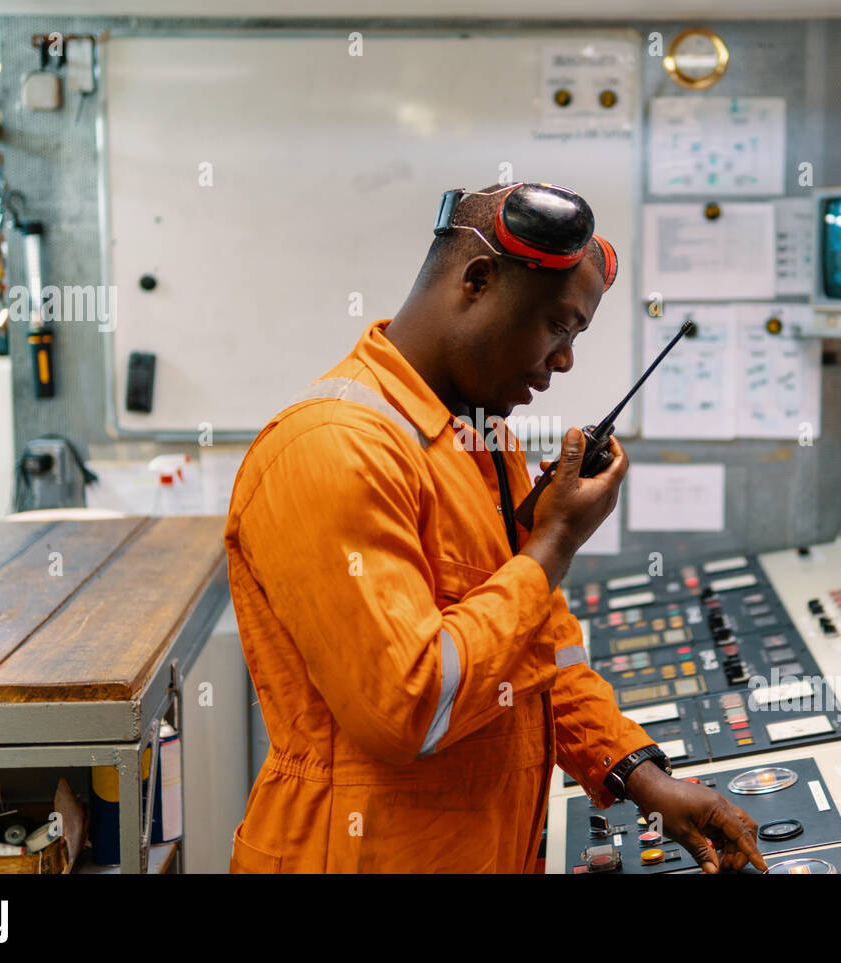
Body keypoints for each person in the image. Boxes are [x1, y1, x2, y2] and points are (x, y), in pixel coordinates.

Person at [224, 182, 765, 873]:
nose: (564, 359)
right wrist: (553, 544)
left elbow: (538, 652)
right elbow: (408, 706)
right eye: (557, 326)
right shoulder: (332, 447)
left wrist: (640, 776)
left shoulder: (483, 443)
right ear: (477, 280)